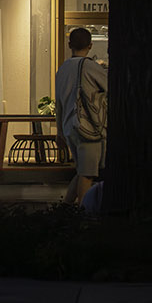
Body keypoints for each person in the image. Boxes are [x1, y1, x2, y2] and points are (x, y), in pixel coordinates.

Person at [54, 26, 107, 206]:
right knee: (87, 174)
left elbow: (59, 104)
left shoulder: (62, 70)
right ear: (90, 45)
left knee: (81, 171)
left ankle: (64, 209)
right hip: (88, 127)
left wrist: (60, 131)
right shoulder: (90, 67)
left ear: (70, 45)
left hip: (70, 127)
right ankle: (81, 214)